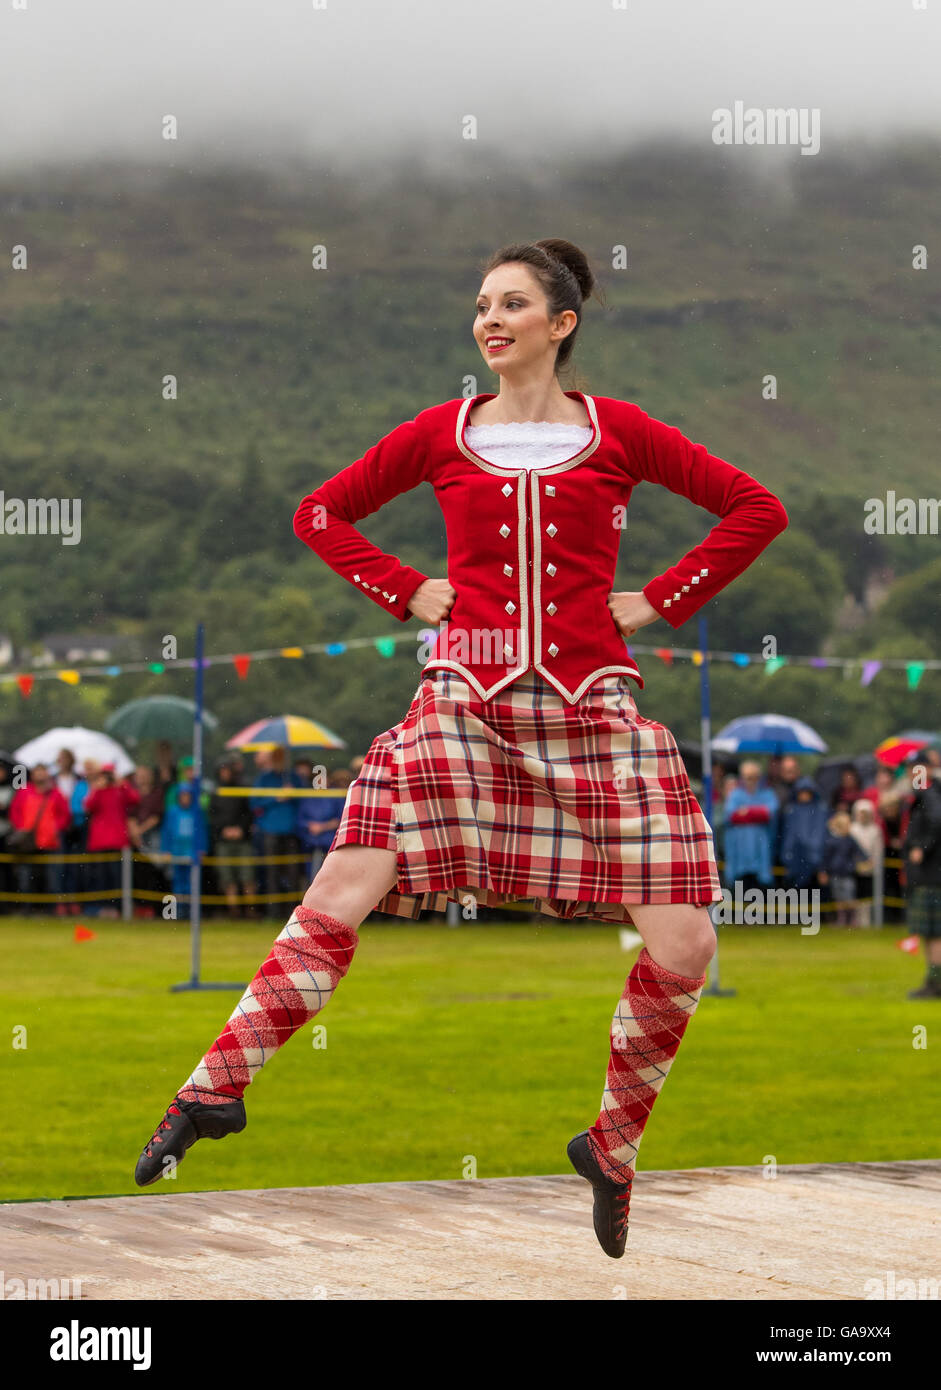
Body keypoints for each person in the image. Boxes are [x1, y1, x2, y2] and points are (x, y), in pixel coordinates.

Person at [134, 237, 788, 1259]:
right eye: (481, 304)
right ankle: (216, 1088)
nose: (488, 318)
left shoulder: (620, 433)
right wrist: (405, 589)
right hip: (462, 698)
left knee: (685, 943)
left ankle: (610, 1146)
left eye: (511, 304)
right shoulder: (439, 434)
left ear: (559, 324)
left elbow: (756, 507)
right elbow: (319, 510)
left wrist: (660, 599)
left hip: (589, 707)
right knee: (346, 879)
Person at [901, 756, 941, 998]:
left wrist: (921, 847)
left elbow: (938, 820)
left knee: (935, 933)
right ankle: (933, 981)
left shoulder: (928, 792)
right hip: (931, 873)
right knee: (930, 933)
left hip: (931, 874)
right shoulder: (926, 793)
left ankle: (935, 985)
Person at [8, 764, 71, 915]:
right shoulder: (24, 791)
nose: (40, 775)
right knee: (26, 876)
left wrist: (56, 828)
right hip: (27, 843)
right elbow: (15, 812)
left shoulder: (55, 793)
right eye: (37, 772)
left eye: (43, 772)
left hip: (50, 842)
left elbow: (65, 815)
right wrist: (21, 828)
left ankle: (52, 908)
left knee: (53, 877)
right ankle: (27, 908)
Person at [249, 746, 303, 916]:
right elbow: (254, 803)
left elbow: (305, 800)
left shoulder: (294, 777)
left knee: (292, 872)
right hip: (270, 831)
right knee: (271, 872)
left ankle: (292, 912)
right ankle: (273, 912)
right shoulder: (263, 778)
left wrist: (292, 794)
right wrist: (276, 798)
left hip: (291, 831)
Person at [83, 764, 140, 918]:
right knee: (101, 878)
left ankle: (118, 909)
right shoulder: (98, 791)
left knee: (118, 878)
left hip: (117, 841)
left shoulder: (120, 790)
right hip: (99, 842)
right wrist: (95, 788)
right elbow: (87, 806)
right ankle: (102, 908)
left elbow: (135, 799)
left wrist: (123, 783)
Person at [722, 761, 780, 896]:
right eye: (748, 777)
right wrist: (757, 814)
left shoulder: (767, 794)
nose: (751, 781)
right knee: (740, 893)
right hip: (739, 852)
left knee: (760, 893)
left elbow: (769, 813)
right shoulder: (736, 794)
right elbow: (732, 815)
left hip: (761, 851)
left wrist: (746, 812)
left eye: (754, 777)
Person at [209, 761, 256, 918]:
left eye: (228, 770)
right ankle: (234, 911)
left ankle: (250, 910)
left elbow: (248, 814)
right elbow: (213, 817)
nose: (226, 773)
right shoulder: (216, 793)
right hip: (223, 842)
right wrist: (224, 830)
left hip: (242, 841)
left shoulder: (241, 790)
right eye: (223, 770)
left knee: (247, 875)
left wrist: (240, 829)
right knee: (227, 878)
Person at [159, 781, 209, 920]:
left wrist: (202, 849)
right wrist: (166, 849)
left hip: (191, 852)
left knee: (192, 883)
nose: (185, 798)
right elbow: (166, 832)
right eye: (183, 795)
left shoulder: (197, 812)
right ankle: (178, 912)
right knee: (178, 883)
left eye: (187, 795)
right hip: (177, 851)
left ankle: (192, 912)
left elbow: (202, 832)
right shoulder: (173, 812)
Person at [127, 764, 167, 917]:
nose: (142, 777)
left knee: (155, 871)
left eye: (145, 774)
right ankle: (140, 907)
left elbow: (156, 816)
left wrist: (140, 830)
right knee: (137, 873)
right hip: (135, 840)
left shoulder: (157, 793)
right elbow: (130, 814)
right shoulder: (132, 793)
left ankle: (157, 908)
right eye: (139, 774)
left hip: (153, 838)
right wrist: (135, 833)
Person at [296, 769, 349, 883]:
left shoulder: (335, 796)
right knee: (312, 876)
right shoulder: (307, 797)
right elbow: (300, 820)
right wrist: (310, 826)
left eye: (323, 778)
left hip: (330, 844)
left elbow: (342, 819)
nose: (320, 782)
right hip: (311, 843)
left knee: (332, 875)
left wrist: (323, 827)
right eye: (317, 779)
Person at [818, 810, 869, 926]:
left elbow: (859, 851)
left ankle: (852, 920)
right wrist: (823, 872)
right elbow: (825, 858)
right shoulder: (831, 841)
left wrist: (866, 859)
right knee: (838, 898)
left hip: (847, 873)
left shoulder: (850, 840)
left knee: (849, 897)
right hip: (835, 874)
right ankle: (842, 919)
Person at [779, 776, 827, 893]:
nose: (804, 795)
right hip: (795, 860)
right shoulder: (790, 810)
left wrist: (820, 864)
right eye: (802, 792)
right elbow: (788, 836)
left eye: (807, 792)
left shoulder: (820, 810)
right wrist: (787, 856)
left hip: (814, 863)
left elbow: (821, 836)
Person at [849, 798, 883, 927]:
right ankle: (854, 921)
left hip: (869, 869)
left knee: (867, 897)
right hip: (854, 868)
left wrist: (873, 863)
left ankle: (866, 921)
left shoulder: (875, 830)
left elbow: (878, 850)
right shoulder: (852, 829)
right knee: (854, 895)